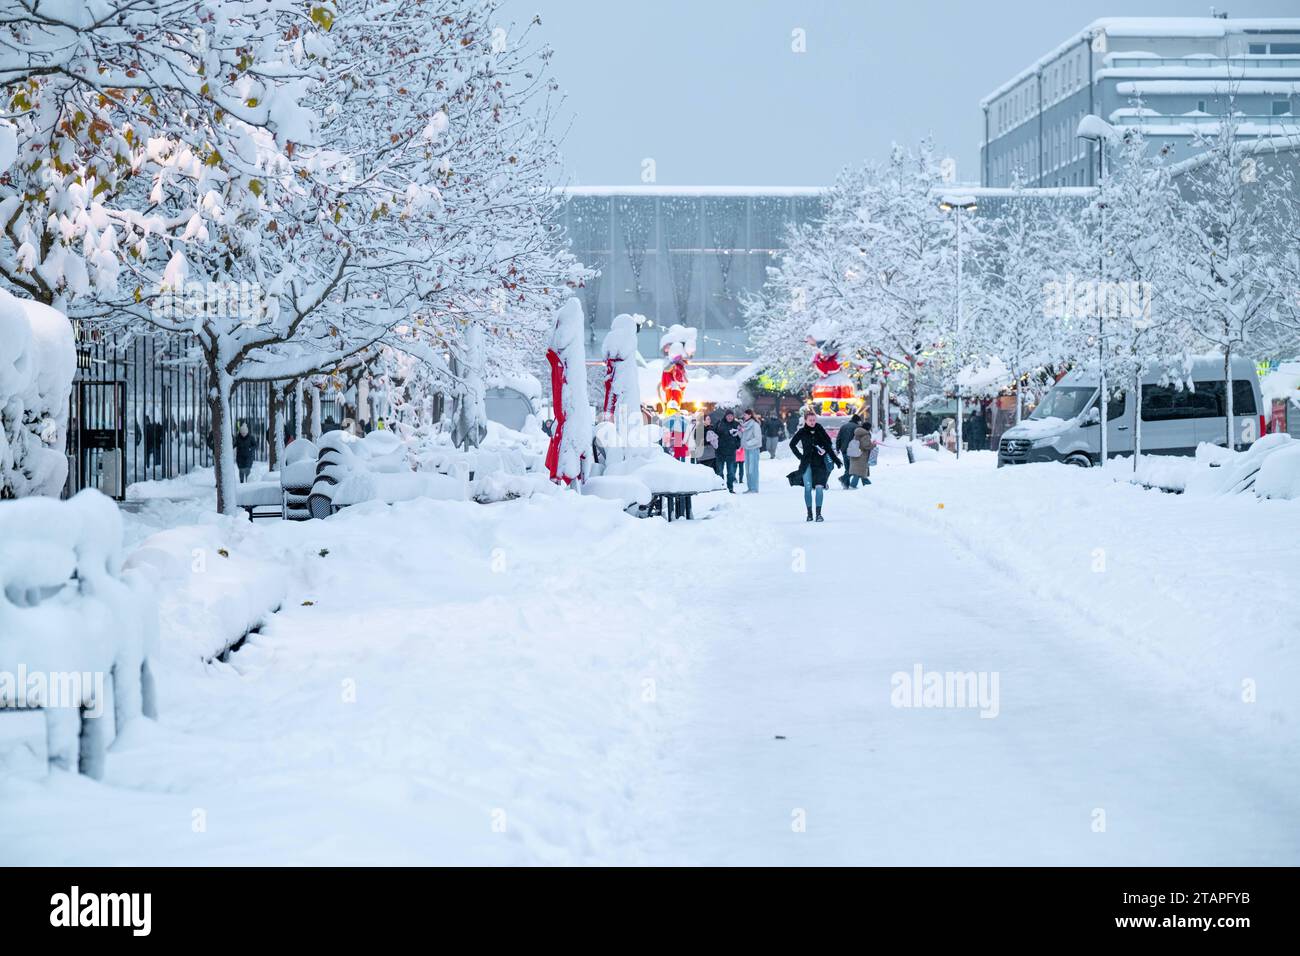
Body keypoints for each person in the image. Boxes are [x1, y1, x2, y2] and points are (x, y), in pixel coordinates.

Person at [789, 410, 840, 522]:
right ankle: (809, 514)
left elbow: (829, 443)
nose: (812, 422)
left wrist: (824, 450)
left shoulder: (820, 429)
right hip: (807, 463)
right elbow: (792, 444)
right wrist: (800, 457)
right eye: (810, 420)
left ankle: (819, 514)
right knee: (808, 488)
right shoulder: (802, 432)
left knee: (819, 487)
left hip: (820, 464)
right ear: (805, 420)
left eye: (814, 420)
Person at [715, 409, 742, 492]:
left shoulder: (736, 424)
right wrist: (727, 432)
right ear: (725, 416)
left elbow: (739, 437)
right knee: (719, 471)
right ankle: (721, 488)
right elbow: (716, 432)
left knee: (731, 472)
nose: (730, 417)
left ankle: (730, 488)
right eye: (728, 416)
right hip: (720, 451)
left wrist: (737, 445)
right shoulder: (720, 423)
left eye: (731, 416)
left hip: (731, 452)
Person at [740, 408, 763, 493]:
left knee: (753, 469)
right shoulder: (745, 425)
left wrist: (748, 443)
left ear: (750, 415)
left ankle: (754, 488)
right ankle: (750, 487)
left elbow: (757, 438)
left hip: (753, 449)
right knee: (748, 470)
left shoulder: (755, 425)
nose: (744, 416)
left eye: (745, 414)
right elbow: (744, 437)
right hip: (747, 449)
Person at [845, 421, 873, 487]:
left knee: (859, 472)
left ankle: (868, 485)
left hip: (855, 454)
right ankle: (853, 485)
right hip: (861, 456)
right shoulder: (865, 435)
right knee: (858, 473)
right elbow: (865, 446)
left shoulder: (857, 433)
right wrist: (873, 445)